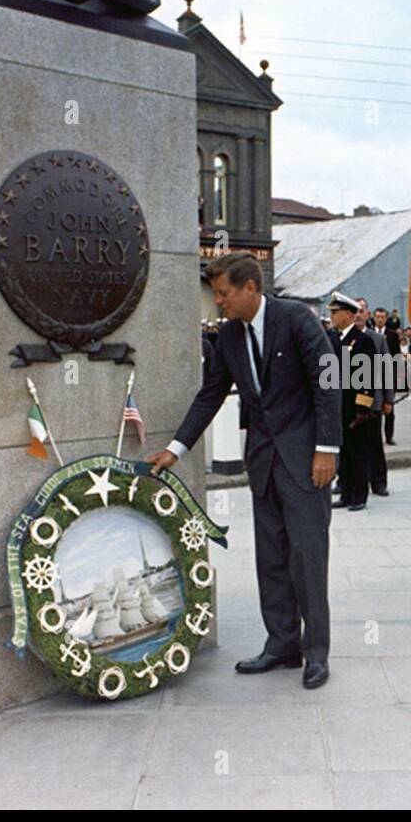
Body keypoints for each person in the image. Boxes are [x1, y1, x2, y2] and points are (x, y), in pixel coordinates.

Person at [147, 253, 341, 690]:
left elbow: (328, 382)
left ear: (250, 288)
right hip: (265, 463)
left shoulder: (297, 320)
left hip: (307, 460)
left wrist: (327, 448)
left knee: (307, 557)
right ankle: (282, 645)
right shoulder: (230, 337)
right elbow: (210, 395)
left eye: (223, 293)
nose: (218, 302)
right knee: (271, 557)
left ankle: (316, 653)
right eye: (216, 294)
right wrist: (176, 449)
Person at [328, 294, 378, 511]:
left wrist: (363, 407)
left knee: (358, 452)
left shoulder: (363, 341)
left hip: (355, 406)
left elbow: (367, 377)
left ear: (348, 314)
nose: (332, 317)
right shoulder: (334, 339)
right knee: (344, 452)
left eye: (335, 312)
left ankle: (359, 495)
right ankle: (346, 492)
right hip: (339, 405)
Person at [356, 299, 391, 497]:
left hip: (373, 400)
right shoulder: (342, 338)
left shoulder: (377, 339)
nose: (359, 315)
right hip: (350, 402)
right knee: (350, 446)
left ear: (367, 314)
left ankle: (378, 482)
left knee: (374, 443)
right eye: (355, 311)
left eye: (362, 311)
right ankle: (347, 481)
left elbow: (386, 369)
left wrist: (388, 399)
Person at [371, 307, 401, 446]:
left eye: (383, 317)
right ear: (374, 317)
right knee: (374, 407)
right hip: (372, 375)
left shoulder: (392, 335)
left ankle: (389, 436)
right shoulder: (369, 334)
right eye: (378, 317)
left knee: (389, 407)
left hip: (388, 375)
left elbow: (396, 356)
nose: (380, 319)